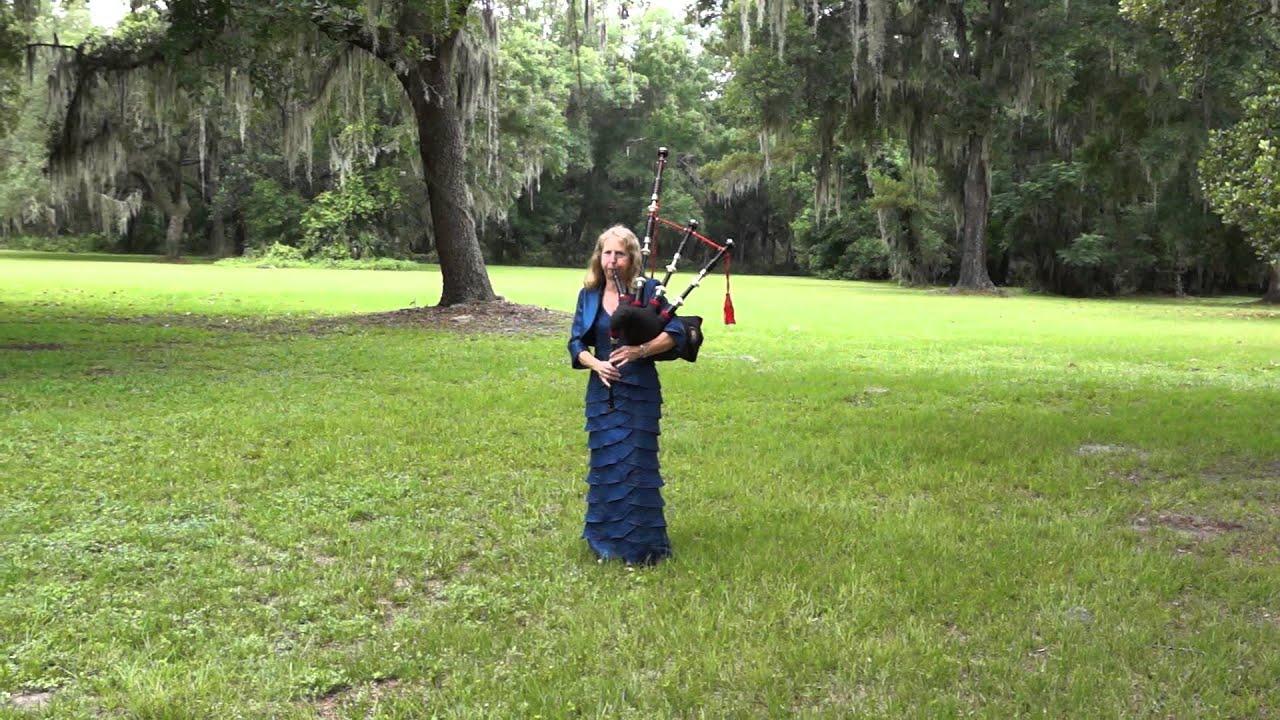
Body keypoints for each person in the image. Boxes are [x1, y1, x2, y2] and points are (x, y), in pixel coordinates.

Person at [567, 225, 686, 566]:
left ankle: (642, 547)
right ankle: (605, 543)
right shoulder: (588, 294)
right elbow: (576, 343)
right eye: (607, 253)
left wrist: (640, 350)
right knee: (606, 465)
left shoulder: (649, 291)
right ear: (598, 256)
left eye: (619, 254)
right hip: (602, 394)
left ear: (631, 257)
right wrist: (596, 364)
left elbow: (676, 333)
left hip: (640, 391)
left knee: (636, 465)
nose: (612, 260)